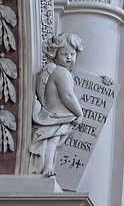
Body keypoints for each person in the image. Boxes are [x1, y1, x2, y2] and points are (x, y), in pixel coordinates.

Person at [30, 32, 84, 177]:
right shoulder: (62, 73)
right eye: (65, 54)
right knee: (52, 142)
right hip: (55, 116)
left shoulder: (52, 70)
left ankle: (48, 166)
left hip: (55, 115)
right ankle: (47, 167)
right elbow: (67, 95)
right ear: (55, 53)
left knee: (53, 143)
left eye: (72, 54)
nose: (69, 58)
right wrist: (79, 113)